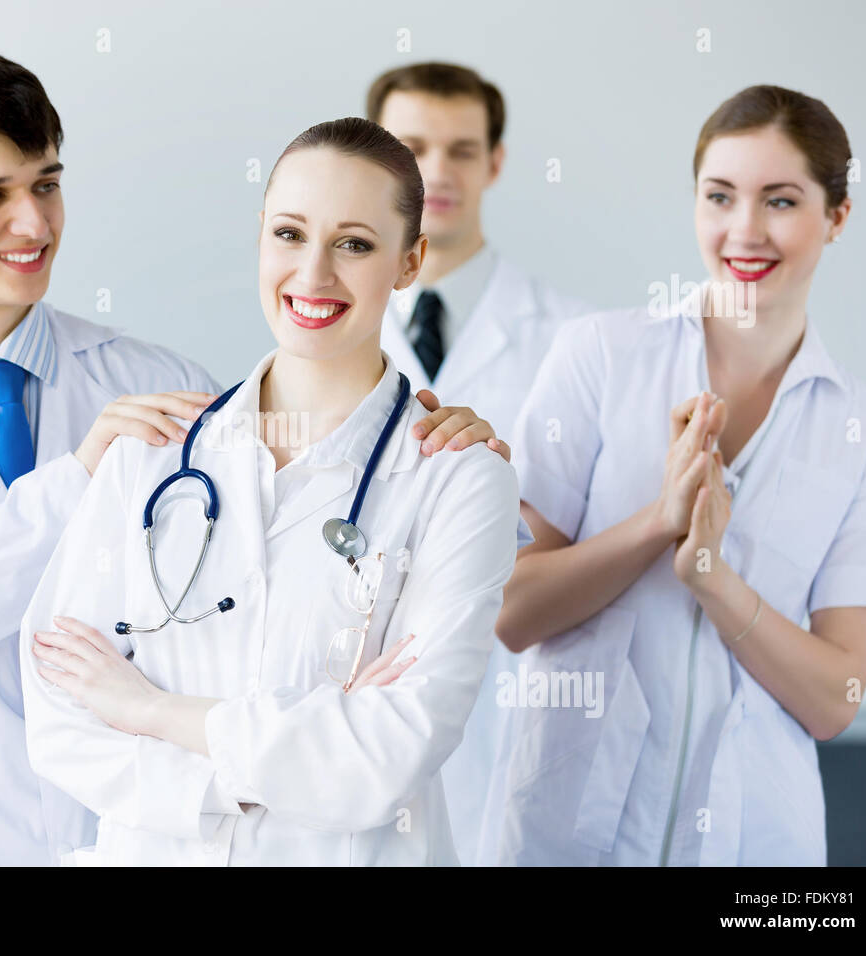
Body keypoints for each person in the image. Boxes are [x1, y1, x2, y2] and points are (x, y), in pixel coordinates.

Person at [0, 44, 497, 866]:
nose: (35, 224)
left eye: (47, 183)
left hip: (133, 839)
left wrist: (426, 429)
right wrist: (77, 481)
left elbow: (297, 504)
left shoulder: (160, 387)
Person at [18, 117, 522, 866]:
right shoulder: (150, 459)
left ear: (410, 260)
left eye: (354, 244)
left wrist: (145, 709)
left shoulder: (457, 478)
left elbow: (386, 756)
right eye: (290, 234)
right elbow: (60, 722)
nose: (313, 276)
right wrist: (261, 773)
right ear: (260, 235)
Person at [481, 85, 866, 866]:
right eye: (720, 197)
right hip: (569, 832)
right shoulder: (599, 356)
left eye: (781, 200)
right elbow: (511, 612)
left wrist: (713, 578)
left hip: (758, 852)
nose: (745, 230)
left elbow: (836, 701)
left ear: (837, 217)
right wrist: (657, 523)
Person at [367, 61, 594, 863]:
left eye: (463, 149)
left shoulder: (574, 341)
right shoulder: (323, 337)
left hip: (513, 710)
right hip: (358, 721)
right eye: (413, 146)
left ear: (496, 162)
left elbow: (573, 555)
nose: (436, 171)